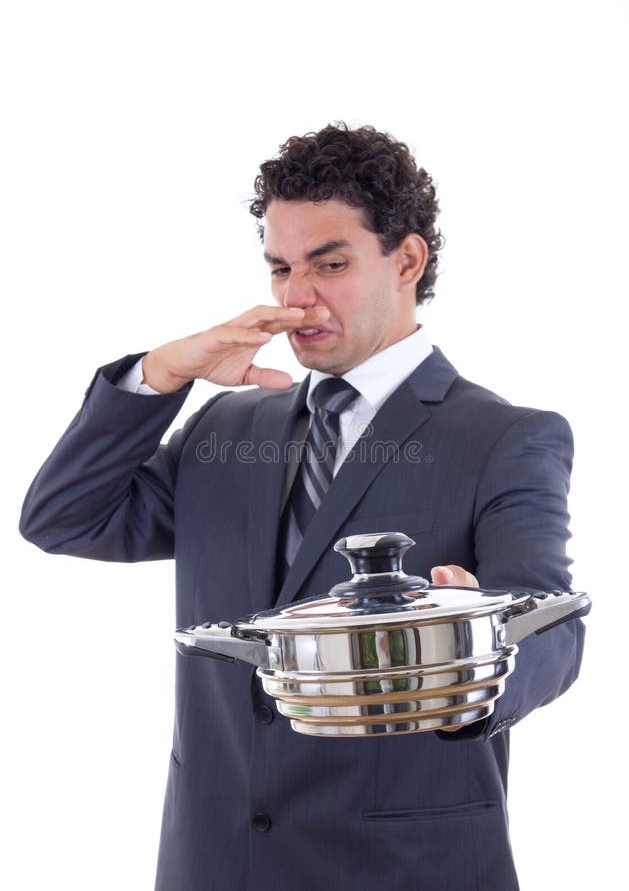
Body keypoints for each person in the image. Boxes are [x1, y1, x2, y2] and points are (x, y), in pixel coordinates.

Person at [20, 123, 585, 891]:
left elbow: (551, 621)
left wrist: (472, 657)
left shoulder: (503, 437)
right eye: (281, 267)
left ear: (407, 260)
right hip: (214, 859)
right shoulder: (223, 426)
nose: (295, 297)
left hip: (402, 866)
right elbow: (64, 518)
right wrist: (160, 374)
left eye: (330, 263)